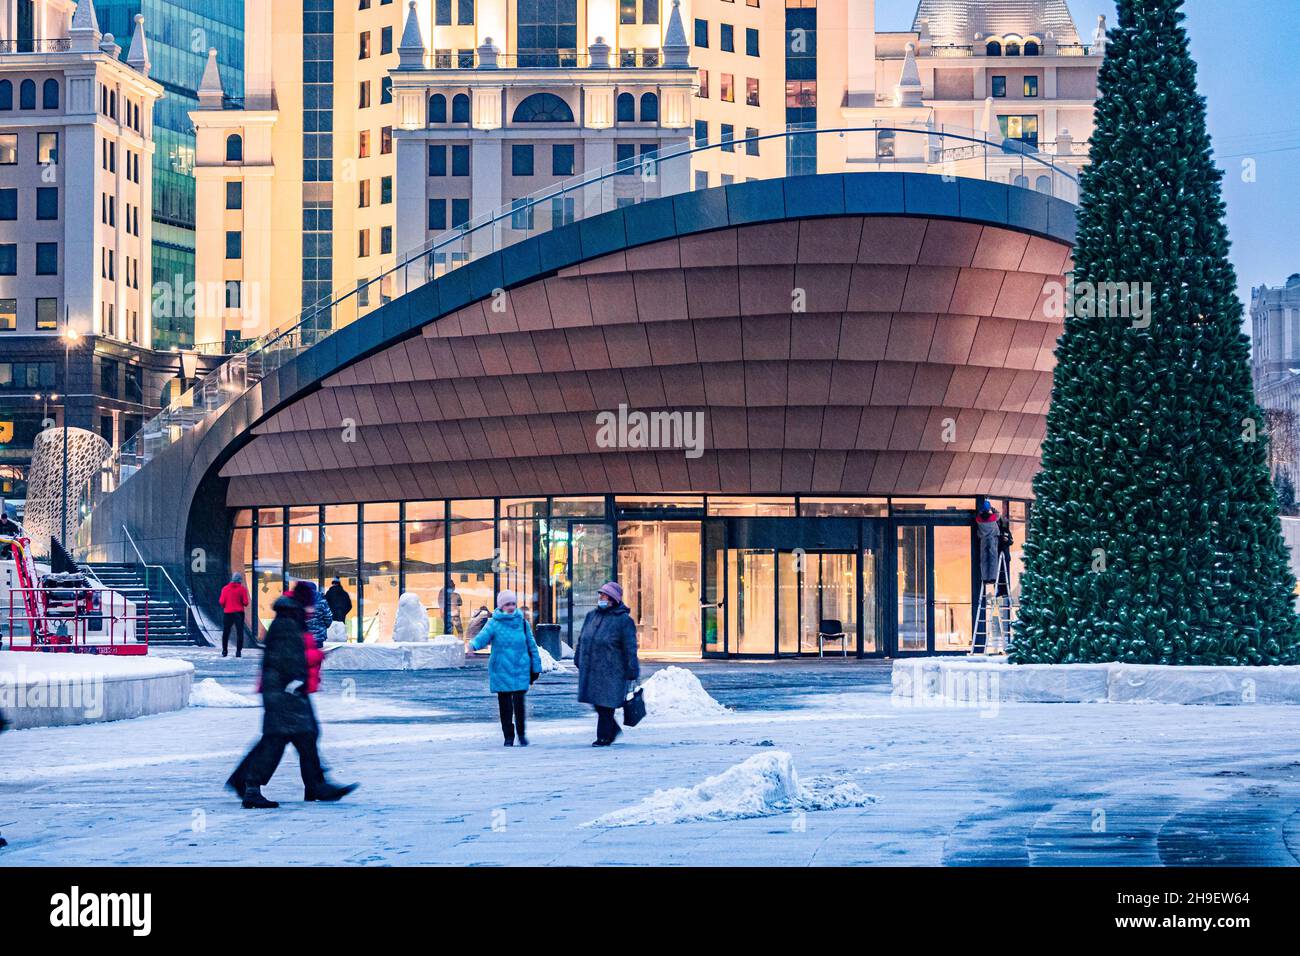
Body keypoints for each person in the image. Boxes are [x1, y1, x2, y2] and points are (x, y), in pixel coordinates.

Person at [227, 581, 357, 808]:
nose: (312, 610)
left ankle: (315, 785)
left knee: (304, 736)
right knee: (276, 741)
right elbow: (286, 659)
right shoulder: (288, 622)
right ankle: (251, 785)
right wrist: (296, 681)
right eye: (310, 605)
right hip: (284, 693)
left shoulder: (291, 618)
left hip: (285, 691)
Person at [470, 590, 542, 746]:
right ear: (501, 606)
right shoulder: (494, 623)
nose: (511, 607)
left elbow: (532, 646)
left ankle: (521, 735)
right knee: (505, 707)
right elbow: (482, 638)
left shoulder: (522, 623)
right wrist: (473, 645)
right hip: (501, 670)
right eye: (507, 604)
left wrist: (536, 667)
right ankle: (508, 736)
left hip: (520, 669)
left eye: (513, 604)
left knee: (519, 706)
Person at [575, 581, 639, 747]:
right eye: (600, 594)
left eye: (604, 595)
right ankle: (612, 729)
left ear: (613, 599)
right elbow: (582, 638)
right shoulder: (592, 616)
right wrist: (578, 656)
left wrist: (632, 668)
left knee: (605, 704)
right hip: (592, 669)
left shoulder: (623, 621)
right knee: (597, 702)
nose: (601, 598)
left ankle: (603, 737)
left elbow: (630, 647)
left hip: (612, 669)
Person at [218, 572, 251, 657]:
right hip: (238, 613)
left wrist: (226, 606)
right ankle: (238, 652)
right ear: (240, 580)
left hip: (228, 613)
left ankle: (224, 651)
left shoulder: (225, 588)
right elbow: (245, 602)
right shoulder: (242, 589)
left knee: (226, 632)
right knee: (239, 632)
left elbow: (221, 602)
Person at [298, 580, 332, 648]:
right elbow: (328, 617)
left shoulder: (299, 600)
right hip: (318, 637)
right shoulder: (322, 600)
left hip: (303, 637)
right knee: (316, 656)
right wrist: (323, 627)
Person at [975, 500, 1001, 585]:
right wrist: (992, 508)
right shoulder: (993, 517)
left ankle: (985, 578)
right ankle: (993, 578)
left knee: (984, 559)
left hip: (983, 540)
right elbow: (998, 514)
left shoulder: (978, 519)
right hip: (992, 539)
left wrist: (981, 510)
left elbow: (979, 514)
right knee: (993, 558)